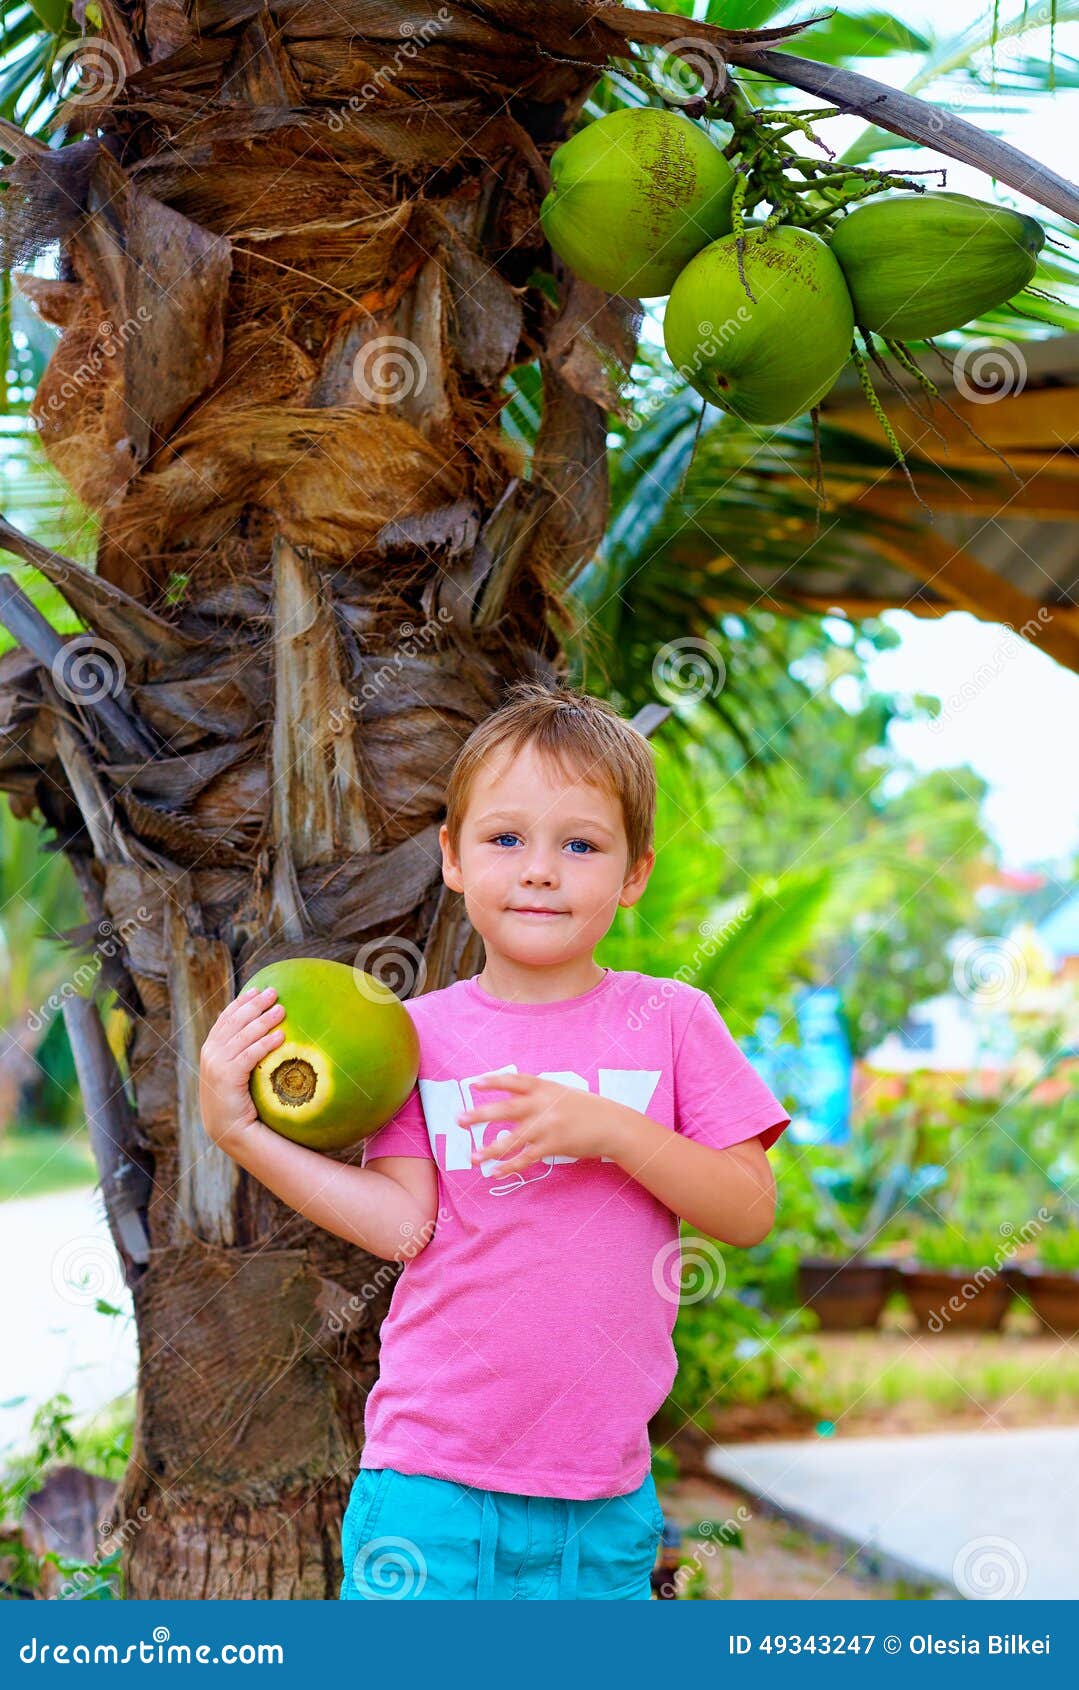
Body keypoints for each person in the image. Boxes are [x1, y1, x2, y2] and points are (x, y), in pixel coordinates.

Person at [199, 680, 790, 1600]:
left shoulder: (670, 1021)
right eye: (505, 838)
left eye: (580, 844)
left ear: (633, 872)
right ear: (454, 858)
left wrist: (612, 1131)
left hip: (601, 1494)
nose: (540, 869)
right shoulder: (412, 1038)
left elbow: (748, 1209)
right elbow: (404, 1228)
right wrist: (241, 1132)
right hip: (430, 1482)